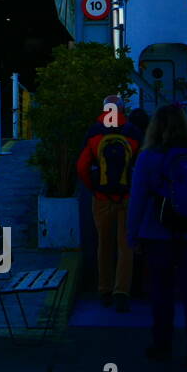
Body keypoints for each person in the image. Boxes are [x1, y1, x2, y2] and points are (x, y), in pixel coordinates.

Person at [128, 104, 187, 366]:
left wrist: (132, 235)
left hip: (158, 234)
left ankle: (162, 344)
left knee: (161, 293)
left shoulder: (148, 158)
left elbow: (138, 199)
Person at [75, 94, 142, 311]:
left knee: (104, 244)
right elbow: (141, 167)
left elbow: (82, 166)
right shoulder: (132, 132)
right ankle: (122, 292)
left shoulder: (94, 131)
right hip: (127, 197)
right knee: (126, 246)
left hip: (102, 198)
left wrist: (94, 187)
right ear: (122, 109)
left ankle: (104, 289)